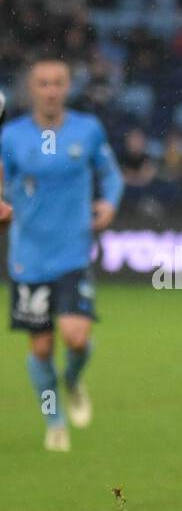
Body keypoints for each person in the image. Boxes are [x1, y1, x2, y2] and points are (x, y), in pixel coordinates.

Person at [1, 57, 123, 451]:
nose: (51, 90)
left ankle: (72, 380)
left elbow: (112, 174)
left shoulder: (87, 131)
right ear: (31, 90)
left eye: (58, 83)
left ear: (67, 87)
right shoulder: (12, 137)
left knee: (75, 338)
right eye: (43, 84)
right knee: (40, 348)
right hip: (29, 258)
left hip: (72, 253)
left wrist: (110, 203)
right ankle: (54, 419)